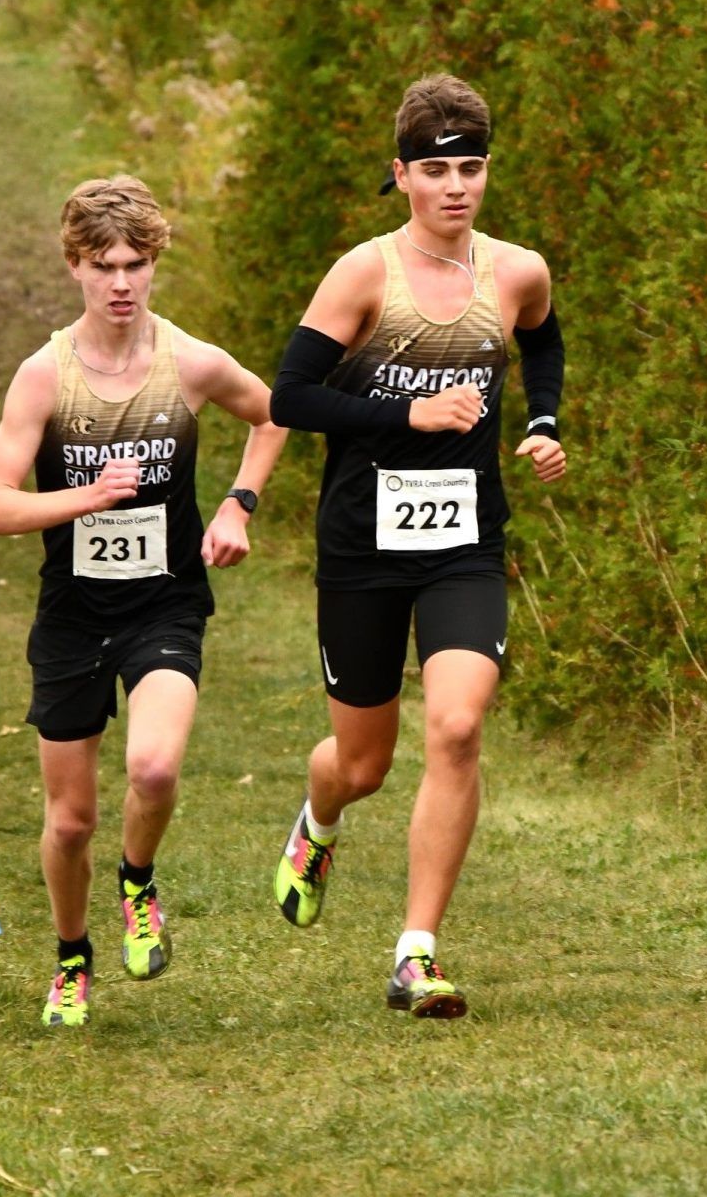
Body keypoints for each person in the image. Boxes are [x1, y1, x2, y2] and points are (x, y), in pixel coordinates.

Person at [269, 73, 566, 1018]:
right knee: (362, 764)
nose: (455, 187)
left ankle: (415, 952)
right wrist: (411, 408)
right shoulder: (365, 275)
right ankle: (318, 821)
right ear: (401, 175)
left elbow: (544, 340)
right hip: (362, 543)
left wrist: (545, 418)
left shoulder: (516, 271)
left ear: (487, 172)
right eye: (435, 169)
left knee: (459, 726)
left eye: (470, 168)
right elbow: (292, 398)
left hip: (464, 542)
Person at [0, 176, 285, 1029]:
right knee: (69, 822)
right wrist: (83, 499)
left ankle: (138, 882)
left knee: (153, 767)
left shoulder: (191, 363)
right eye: (103, 264)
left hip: (165, 605)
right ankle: (72, 958)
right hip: (73, 613)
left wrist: (237, 504)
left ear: (156, 264)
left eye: (137, 264)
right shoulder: (44, 377)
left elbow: (274, 414)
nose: (121, 282)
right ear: (73, 264)